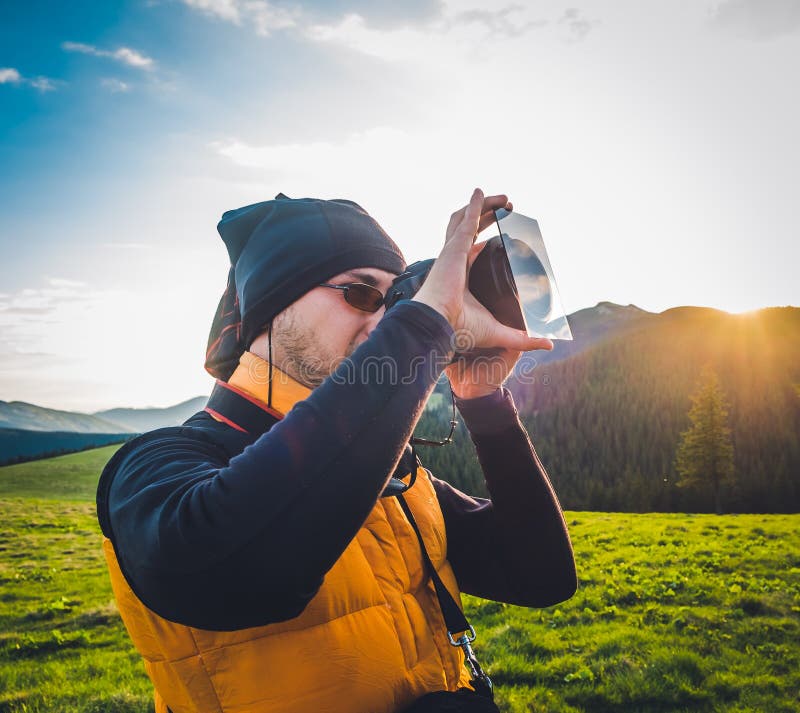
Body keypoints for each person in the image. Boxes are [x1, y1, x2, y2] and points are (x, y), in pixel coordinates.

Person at [96, 188, 577, 713]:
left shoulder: (394, 475)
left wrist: (482, 399)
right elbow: (235, 570)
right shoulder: (157, 464)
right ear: (268, 310)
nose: (383, 323)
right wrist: (423, 324)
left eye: (395, 304)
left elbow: (540, 574)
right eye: (362, 295)